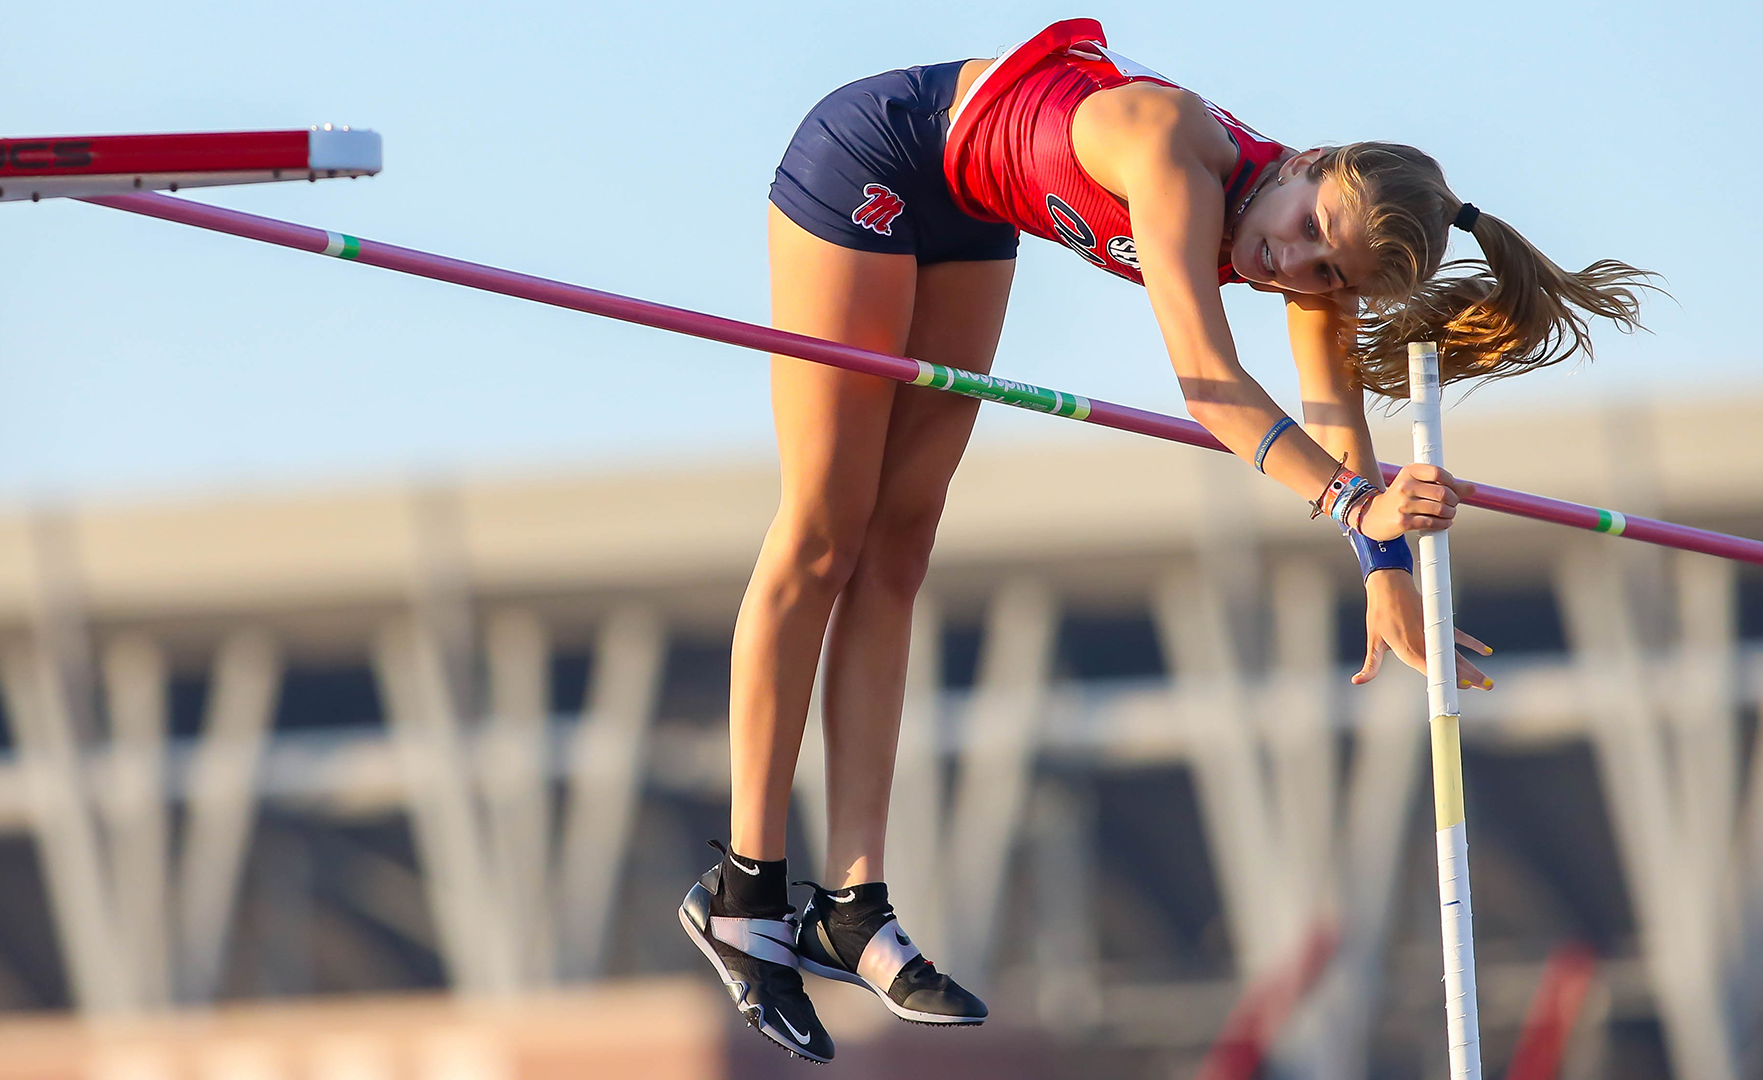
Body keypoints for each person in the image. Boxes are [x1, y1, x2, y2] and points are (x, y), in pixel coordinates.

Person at [677, 17, 1653, 1063]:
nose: (1295, 266)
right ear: (1311, 162)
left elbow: (1337, 437)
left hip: (967, 204)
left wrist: (1385, 571)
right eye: (1310, 232)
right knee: (828, 528)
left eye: (1328, 277)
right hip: (875, 154)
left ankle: (854, 901)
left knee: (900, 545)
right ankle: (743, 892)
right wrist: (1349, 507)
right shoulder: (1172, 149)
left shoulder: (1303, 254)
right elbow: (1208, 382)